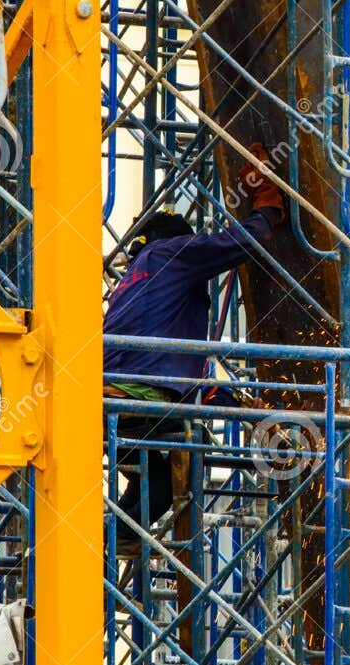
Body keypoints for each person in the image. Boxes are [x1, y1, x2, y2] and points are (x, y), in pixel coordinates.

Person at [105, 147, 285, 530]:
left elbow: (188, 375)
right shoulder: (171, 254)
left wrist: (243, 406)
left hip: (114, 397)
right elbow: (236, 244)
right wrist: (267, 208)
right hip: (140, 396)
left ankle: (108, 547)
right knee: (180, 465)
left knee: (155, 488)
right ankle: (112, 543)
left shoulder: (134, 283)